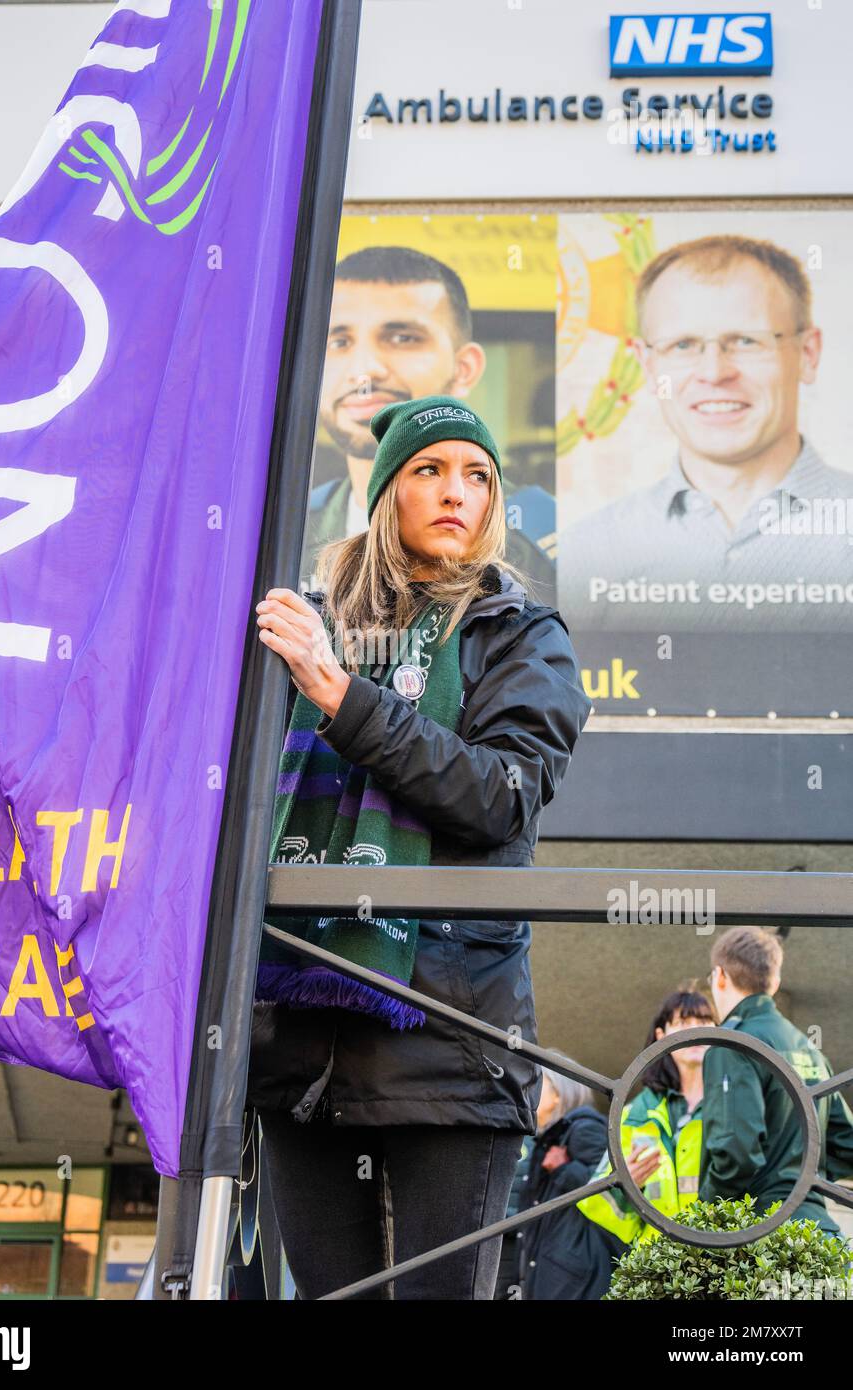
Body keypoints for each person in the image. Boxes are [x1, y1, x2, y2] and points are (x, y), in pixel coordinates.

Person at [245, 394, 591, 1300]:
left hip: (449, 1035)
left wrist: (341, 696)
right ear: (386, 493)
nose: (456, 493)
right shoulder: (308, 624)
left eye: (477, 476)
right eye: (429, 470)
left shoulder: (520, 632)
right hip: (301, 1039)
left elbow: (496, 799)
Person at [559, 234, 853, 632]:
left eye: (746, 341)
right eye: (683, 345)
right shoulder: (586, 553)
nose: (714, 372)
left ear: (807, 354)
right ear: (648, 366)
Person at [303, 245, 556, 593]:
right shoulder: (293, 526)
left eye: (403, 338)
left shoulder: (537, 540)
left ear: (464, 369)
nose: (364, 371)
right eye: (339, 341)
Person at [701, 926, 853, 1230]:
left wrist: (705, 1217)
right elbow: (847, 1144)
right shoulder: (810, 1050)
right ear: (775, 982)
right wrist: (800, 1172)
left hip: (760, 1239)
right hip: (818, 1239)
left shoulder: (732, 1045)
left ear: (719, 975)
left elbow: (736, 1151)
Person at [577, 990, 716, 1245]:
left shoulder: (734, 1107)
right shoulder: (634, 1115)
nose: (695, 1031)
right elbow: (594, 1201)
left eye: (705, 1021)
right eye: (683, 1023)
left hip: (726, 1262)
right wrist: (624, 1185)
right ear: (661, 1036)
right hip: (657, 1264)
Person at [495, 1058, 625, 1301]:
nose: (529, 1095)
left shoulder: (585, 1127)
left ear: (560, 1094)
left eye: (537, 1087)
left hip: (573, 1273)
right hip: (551, 1271)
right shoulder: (550, 1138)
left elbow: (608, 1188)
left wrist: (563, 1167)